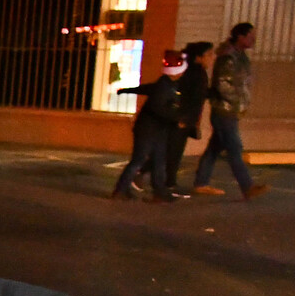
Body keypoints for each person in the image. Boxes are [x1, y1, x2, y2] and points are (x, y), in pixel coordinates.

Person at [194, 22, 266, 200]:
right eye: (250, 36)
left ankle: (201, 182)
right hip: (224, 110)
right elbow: (223, 85)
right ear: (240, 37)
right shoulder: (228, 57)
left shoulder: (239, 56)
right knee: (234, 148)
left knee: (214, 148)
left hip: (229, 109)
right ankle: (247, 186)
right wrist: (236, 100)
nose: (253, 39)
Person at [109, 49, 188, 202]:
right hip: (148, 130)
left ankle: (159, 192)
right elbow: (158, 107)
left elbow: (147, 90)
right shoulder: (165, 86)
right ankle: (121, 190)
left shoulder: (168, 84)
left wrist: (126, 91)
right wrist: (176, 118)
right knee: (139, 160)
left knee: (159, 160)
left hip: (157, 130)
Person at [167, 41, 214, 196]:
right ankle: (167, 183)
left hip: (186, 118)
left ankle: (167, 182)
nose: (211, 58)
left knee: (173, 150)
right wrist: (184, 118)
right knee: (173, 150)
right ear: (199, 57)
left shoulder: (196, 72)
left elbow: (199, 94)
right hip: (182, 118)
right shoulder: (194, 73)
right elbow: (191, 97)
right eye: (208, 54)